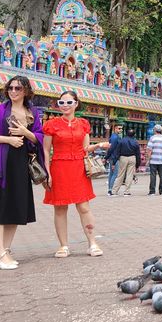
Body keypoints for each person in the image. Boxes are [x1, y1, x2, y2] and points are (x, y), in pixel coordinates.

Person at [0, 76, 43, 268]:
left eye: (18, 88)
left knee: (15, 207)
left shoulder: (33, 113)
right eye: (10, 88)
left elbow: (39, 137)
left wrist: (24, 131)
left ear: (26, 91)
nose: (13, 91)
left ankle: (4, 251)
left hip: (20, 165)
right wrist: (8, 139)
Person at [42, 90, 108, 257]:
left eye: (69, 102)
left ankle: (92, 243)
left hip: (79, 167)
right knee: (60, 207)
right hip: (58, 167)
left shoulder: (83, 124)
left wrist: (98, 145)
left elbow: (85, 149)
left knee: (84, 207)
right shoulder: (52, 124)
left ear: (76, 104)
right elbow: (45, 150)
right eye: (61, 103)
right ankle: (63, 246)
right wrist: (47, 173)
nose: (65, 106)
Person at [146, 124, 162, 195]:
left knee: (153, 176)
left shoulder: (152, 138)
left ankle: (152, 191)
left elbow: (149, 150)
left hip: (153, 160)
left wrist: (148, 159)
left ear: (155, 130)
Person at [105, 123, 122, 195]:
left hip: (113, 157)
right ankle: (110, 190)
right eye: (119, 128)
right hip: (114, 157)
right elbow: (111, 149)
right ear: (115, 129)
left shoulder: (115, 137)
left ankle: (109, 189)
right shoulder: (115, 138)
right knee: (114, 174)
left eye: (121, 128)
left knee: (111, 174)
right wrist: (107, 157)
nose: (120, 130)